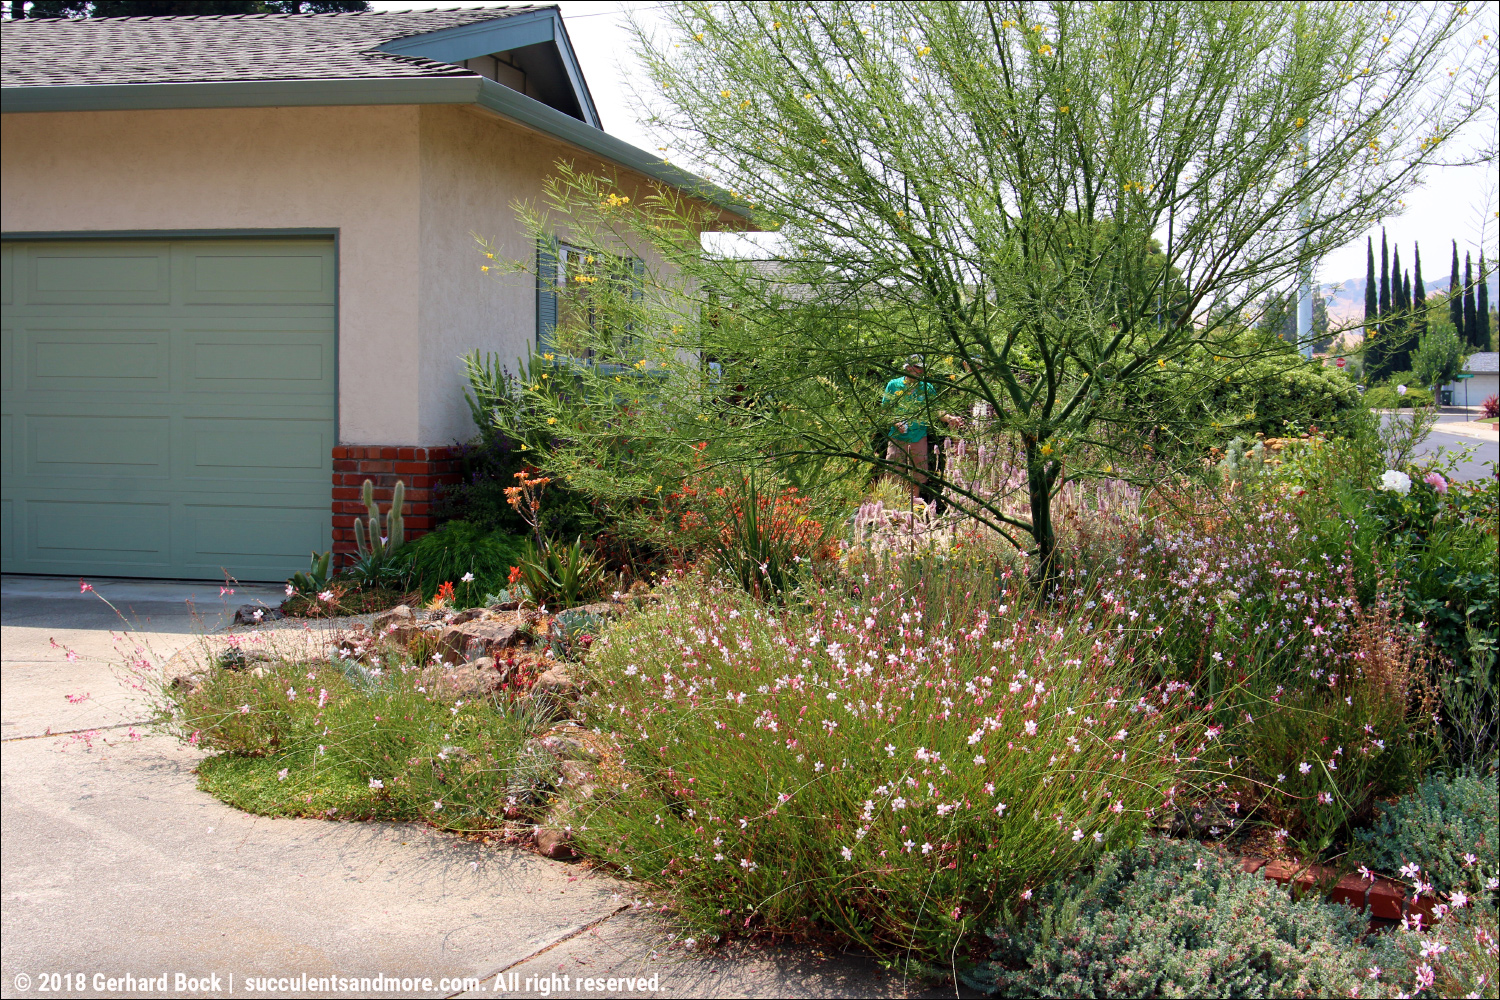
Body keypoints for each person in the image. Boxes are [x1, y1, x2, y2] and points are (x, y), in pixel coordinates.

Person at [880, 355, 963, 498]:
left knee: (917, 475)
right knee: (893, 473)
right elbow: (885, 410)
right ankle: (892, 505)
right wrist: (896, 422)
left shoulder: (927, 387)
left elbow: (936, 410)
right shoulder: (893, 385)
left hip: (918, 436)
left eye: (922, 368)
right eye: (917, 367)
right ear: (908, 367)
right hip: (897, 437)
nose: (920, 371)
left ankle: (914, 505)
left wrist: (950, 418)